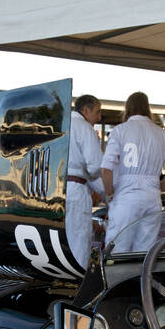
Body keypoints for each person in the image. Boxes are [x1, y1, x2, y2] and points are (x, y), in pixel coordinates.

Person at [99, 91, 165, 253]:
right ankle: (139, 279)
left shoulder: (120, 131)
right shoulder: (161, 133)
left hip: (125, 197)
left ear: (128, 108)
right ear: (147, 108)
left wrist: (109, 194)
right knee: (144, 252)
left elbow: (106, 169)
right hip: (152, 198)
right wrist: (160, 187)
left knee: (118, 250)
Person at [65, 93, 104, 265]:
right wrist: (107, 192)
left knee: (62, 238)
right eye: (97, 112)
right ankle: (79, 282)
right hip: (76, 190)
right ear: (85, 109)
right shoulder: (84, 127)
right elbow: (95, 167)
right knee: (79, 238)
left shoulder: (62, 125)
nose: (99, 117)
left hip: (55, 189)